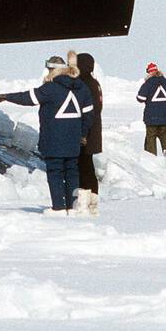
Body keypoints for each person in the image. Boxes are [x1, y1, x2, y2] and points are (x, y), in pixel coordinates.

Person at [0, 52, 94, 213]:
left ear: (52, 70)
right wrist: (82, 134)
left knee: (55, 173)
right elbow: (89, 115)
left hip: (53, 140)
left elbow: (27, 98)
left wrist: (6, 97)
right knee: (72, 172)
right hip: (73, 141)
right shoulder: (82, 88)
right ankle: (73, 208)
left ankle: (59, 208)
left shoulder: (50, 88)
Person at [75, 52, 103, 216]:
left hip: (86, 131)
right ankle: (92, 202)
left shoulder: (84, 83)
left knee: (83, 167)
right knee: (87, 167)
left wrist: (82, 133)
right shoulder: (94, 83)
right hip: (93, 130)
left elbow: (88, 111)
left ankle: (86, 203)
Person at [137, 62, 166, 158]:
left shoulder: (147, 84)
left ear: (149, 72)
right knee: (165, 136)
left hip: (151, 117)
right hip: (165, 116)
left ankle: (152, 158)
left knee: (151, 139)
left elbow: (140, 98)